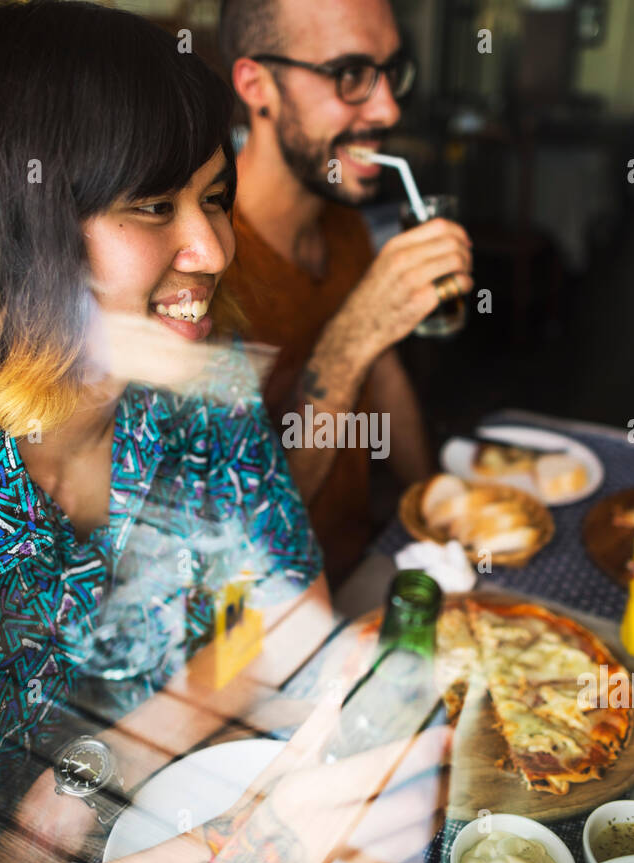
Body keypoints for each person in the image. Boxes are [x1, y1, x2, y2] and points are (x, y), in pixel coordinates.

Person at [0, 1, 445, 863]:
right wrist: (246, 838)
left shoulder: (200, 389)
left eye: (212, 199)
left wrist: (83, 777)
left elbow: (284, 619)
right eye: (152, 207)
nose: (213, 250)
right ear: (14, 227)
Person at [218, 0, 474, 585]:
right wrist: (353, 335)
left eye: (390, 73)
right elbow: (243, 538)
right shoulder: (204, 266)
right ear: (258, 85)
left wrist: (440, 517)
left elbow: (382, 374)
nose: (387, 107)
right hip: (269, 615)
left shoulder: (343, 221)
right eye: (350, 75)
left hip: (366, 566)